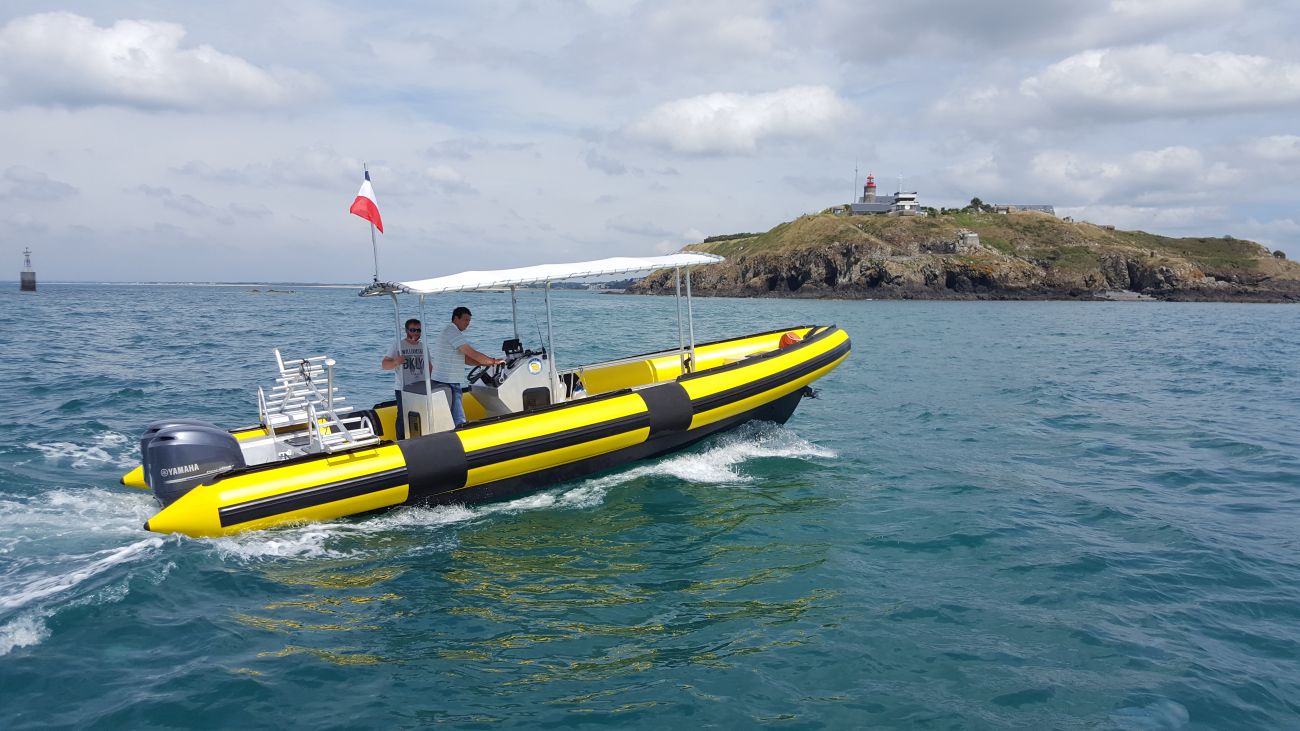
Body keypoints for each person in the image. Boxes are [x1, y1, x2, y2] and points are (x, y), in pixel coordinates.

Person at [430, 306, 503, 426]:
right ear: (456, 318)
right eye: (465, 320)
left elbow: (465, 359)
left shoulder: (449, 332)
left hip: (444, 379)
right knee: (458, 418)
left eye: (469, 321)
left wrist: (482, 362)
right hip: (448, 381)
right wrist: (493, 361)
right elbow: (471, 352)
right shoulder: (452, 331)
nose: (467, 323)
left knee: (455, 414)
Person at [381, 318, 428, 439]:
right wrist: (397, 361)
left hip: (420, 386)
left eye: (418, 330)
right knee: (403, 415)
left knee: (420, 412)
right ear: (407, 330)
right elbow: (385, 365)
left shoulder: (423, 346)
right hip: (403, 387)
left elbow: (430, 366)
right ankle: (401, 440)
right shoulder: (399, 345)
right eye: (413, 330)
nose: (416, 333)